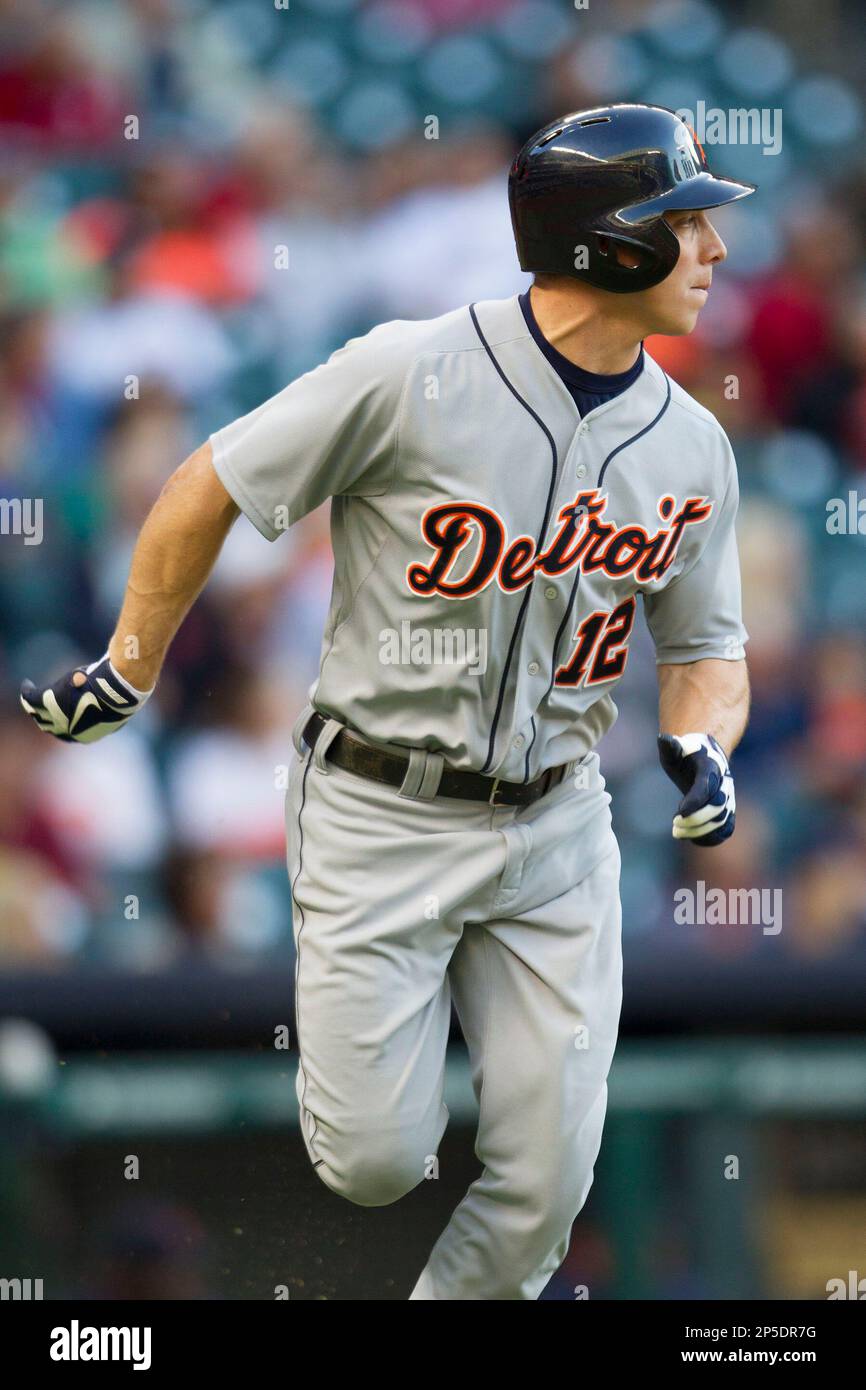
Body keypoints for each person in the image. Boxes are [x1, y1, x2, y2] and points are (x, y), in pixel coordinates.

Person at [20, 104, 753, 1300]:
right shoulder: (410, 369)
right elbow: (211, 479)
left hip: (558, 828)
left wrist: (700, 738)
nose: (713, 250)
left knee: (547, 1181)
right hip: (380, 802)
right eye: (684, 223)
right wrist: (131, 662)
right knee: (373, 1162)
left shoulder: (691, 445)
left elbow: (706, 648)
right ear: (608, 243)